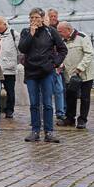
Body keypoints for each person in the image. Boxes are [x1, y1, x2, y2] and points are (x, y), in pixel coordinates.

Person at [17, 7, 66, 143]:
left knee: (47, 103)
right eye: (31, 18)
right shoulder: (26, 32)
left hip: (46, 71)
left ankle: (49, 131)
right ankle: (35, 130)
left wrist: (54, 63)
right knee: (34, 103)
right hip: (31, 72)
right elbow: (22, 48)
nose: (34, 20)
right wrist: (31, 35)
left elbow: (62, 49)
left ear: (42, 18)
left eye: (36, 18)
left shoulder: (51, 32)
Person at [58, 22, 93, 129]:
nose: (59, 34)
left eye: (60, 32)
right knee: (70, 97)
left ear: (68, 30)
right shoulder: (62, 41)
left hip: (84, 74)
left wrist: (80, 68)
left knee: (84, 98)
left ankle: (82, 120)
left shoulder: (82, 37)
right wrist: (61, 65)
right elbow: (62, 55)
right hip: (69, 74)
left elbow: (89, 54)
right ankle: (70, 118)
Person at [0, 16, 19, 119]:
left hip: (9, 69)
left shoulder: (14, 34)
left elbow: (20, 50)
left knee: (10, 91)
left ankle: (9, 110)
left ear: (5, 24)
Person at [46, 9, 67, 124]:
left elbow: (63, 48)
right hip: (47, 64)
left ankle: (60, 112)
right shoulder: (47, 29)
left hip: (57, 64)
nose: (53, 18)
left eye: (55, 16)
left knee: (59, 90)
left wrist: (59, 63)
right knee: (46, 91)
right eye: (51, 16)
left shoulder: (61, 27)